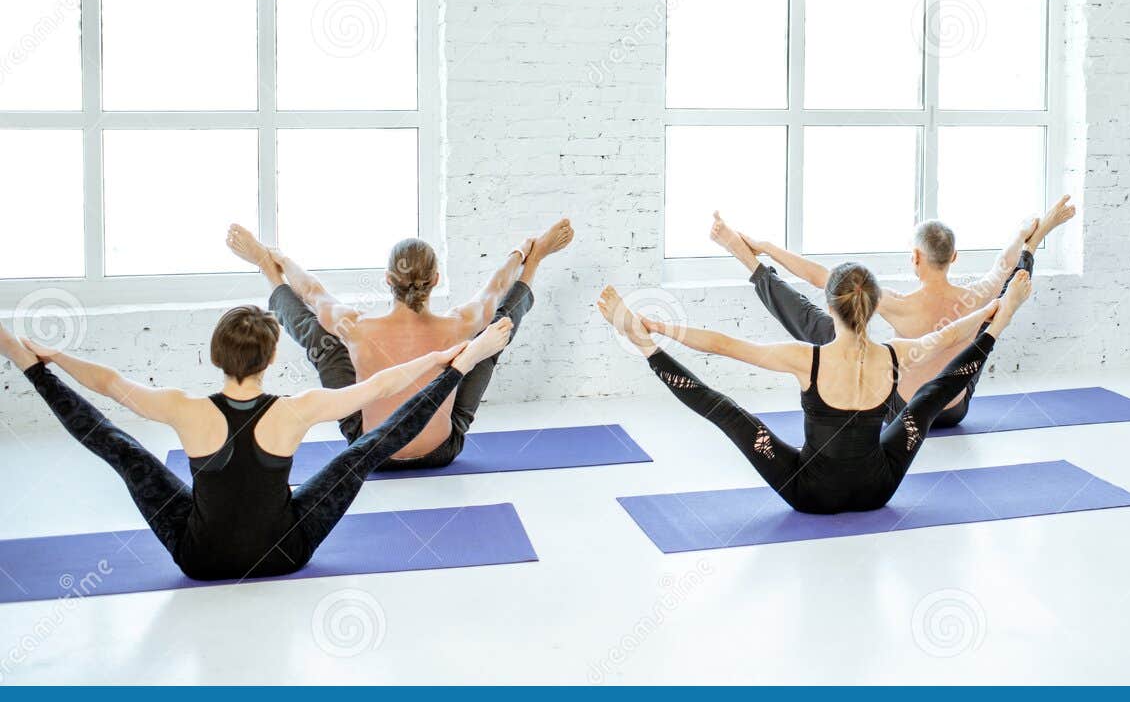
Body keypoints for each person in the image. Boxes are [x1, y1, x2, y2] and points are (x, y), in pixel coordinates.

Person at [0, 307, 512, 580]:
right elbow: (380, 387)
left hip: (199, 558)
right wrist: (447, 358)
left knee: (120, 448)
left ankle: (22, 362)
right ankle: (464, 364)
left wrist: (53, 359)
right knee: (364, 452)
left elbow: (111, 384)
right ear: (270, 360)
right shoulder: (294, 409)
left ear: (215, 357)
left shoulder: (184, 408)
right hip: (284, 553)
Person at [597, 265, 1034, 514]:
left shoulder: (807, 358)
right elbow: (946, 337)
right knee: (929, 398)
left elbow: (725, 345)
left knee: (728, 413)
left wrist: (656, 328)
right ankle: (1000, 327)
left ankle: (646, 348)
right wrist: (996, 311)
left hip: (810, 493)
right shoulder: (894, 354)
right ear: (873, 307)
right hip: (878, 489)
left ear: (829, 306)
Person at [226, 220, 572, 469]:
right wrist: (523, 255)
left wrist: (278, 260)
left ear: (388, 279)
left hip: (371, 453)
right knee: (494, 335)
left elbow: (312, 293)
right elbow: (495, 289)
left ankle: (265, 269)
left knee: (322, 340)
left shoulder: (357, 328)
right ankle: (537, 262)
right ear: (435, 280)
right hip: (440, 451)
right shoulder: (459, 325)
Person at [708, 194, 1074, 424]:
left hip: (904, 413)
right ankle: (1032, 243)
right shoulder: (973, 297)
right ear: (954, 258)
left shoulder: (897, 304)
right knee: (999, 300)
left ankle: (751, 265)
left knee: (829, 326)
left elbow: (822, 278)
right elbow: (1004, 267)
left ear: (915, 257)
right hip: (953, 410)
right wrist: (1024, 238)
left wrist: (767, 248)